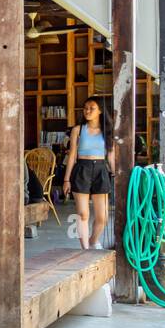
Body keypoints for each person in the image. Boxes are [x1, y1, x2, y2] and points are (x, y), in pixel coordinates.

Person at [62, 96, 114, 250]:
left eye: (92, 108)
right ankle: (85, 250)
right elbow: (71, 155)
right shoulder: (77, 130)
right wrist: (66, 180)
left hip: (101, 170)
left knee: (103, 217)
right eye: (85, 108)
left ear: (100, 111)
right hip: (81, 169)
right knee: (83, 214)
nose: (87, 111)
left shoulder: (108, 131)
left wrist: (117, 175)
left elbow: (111, 156)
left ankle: (92, 241)